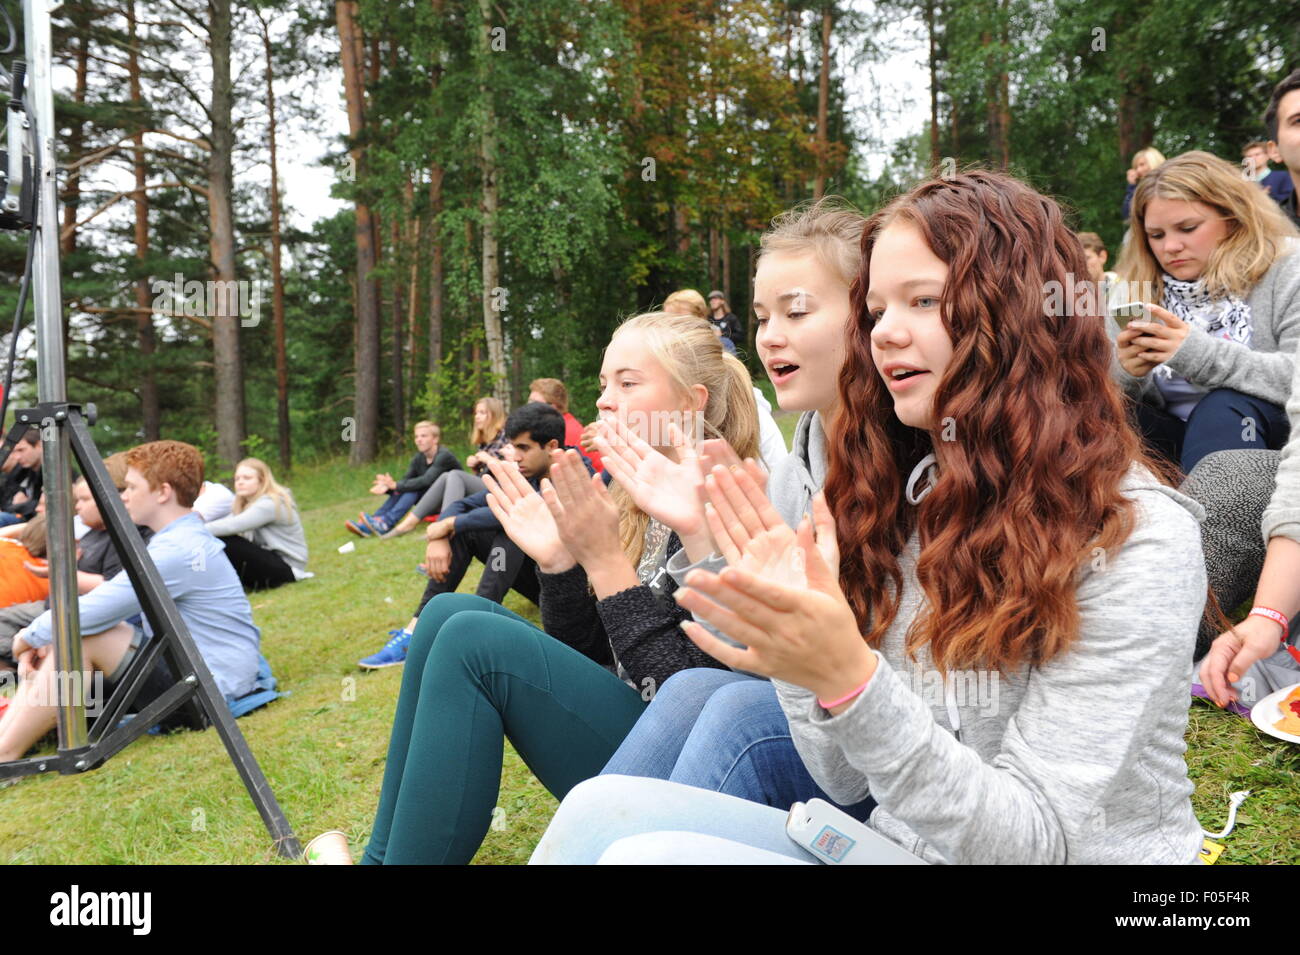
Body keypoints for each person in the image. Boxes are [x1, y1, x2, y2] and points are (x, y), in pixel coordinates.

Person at [532, 169, 1210, 865]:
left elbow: (1034, 844)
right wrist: (806, 648)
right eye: (878, 308)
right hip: (889, 845)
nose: (884, 333)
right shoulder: (920, 495)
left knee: (644, 856)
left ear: (1021, 316)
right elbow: (840, 774)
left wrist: (853, 679)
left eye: (922, 300)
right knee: (598, 812)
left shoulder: (1143, 540)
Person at [331, 310, 759, 864]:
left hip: (687, 767)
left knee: (472, 645)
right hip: (635, 726)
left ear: (690, 402)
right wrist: (558, 565)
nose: (604, 400)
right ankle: (379, 858)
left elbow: (698, 698)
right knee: (447, 616)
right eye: (604, 383)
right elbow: (590, 654)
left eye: (628, 383)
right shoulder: (632, 496)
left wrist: (606, 566)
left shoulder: (732, 500)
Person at [592, 198, 871, 815]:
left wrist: (606, 566)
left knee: (725, 706)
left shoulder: (744, 482)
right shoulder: (802, 467)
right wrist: (568, 567)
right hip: (701, 725)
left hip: (859, 761)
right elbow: (601, 656)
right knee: (463, 625)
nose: (770, 336)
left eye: (796, 311)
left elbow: (702, 670)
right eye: (762, 315)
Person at [0, 441, 262, 760]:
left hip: (212, 696)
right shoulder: (178, 540)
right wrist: (44, 639)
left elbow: (98, 609)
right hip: (205, 678)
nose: (123, 496)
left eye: (132, 488)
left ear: (162, 492)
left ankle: (5, 755)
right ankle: (5, 745)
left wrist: (26, 638)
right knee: (66, 641)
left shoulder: (178, 551)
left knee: (81, 635)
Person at [1111, 150, 1300, 475]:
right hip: (1169, 440)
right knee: (1112, 415)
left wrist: (1196, 354)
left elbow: (1295, 376)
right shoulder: (1133, 287)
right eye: (1156, 235)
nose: (1170, 247)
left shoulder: (1287, 263)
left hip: (1265, 440)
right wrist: (1126, 371)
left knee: (1225, 407)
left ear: (1232, 217)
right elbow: (1093, 387)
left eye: (1187, 228)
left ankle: (1220, 524)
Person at [357, 403, 570, 669]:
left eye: (523, 448)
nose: (515, 457)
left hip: (569, 591)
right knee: (468, 531)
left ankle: (475, 625)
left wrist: (453, 523)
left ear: (550, 446)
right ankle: (415, 629)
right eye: (513, 447)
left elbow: (523, 513)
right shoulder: (529, 474)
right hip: (539, 582)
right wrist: (440, 533)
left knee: (510, 529)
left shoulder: (575, 473)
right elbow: (468, 503)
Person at [380, 397, 509, 539]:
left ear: (495, 414)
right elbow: (486, 474)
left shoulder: (505, 436)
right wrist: (476, 466)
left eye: (482, 413)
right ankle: (407, 524)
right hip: (486, 487)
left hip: (502, 490)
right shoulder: (485, 441)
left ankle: (442, 525)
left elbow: (512, 469)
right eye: (476, 413)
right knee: (446, 476)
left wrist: (488, 459)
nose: (477, 417)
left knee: (455, 475)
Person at [203, 458, 309, 591]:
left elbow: (233, 525)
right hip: (273, 563)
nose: (240, 482)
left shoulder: (270, 503)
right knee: (215, 537)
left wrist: (193, 529)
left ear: (262, 481)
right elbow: (224, 523)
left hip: (288, 569)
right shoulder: (244, 505)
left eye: (247, 478)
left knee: (224, 540)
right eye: (237, 479)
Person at [346, 421, 462, 536]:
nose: (419, 440)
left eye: (424, 436)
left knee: (412, 489)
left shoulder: (444, 456)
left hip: (450, 502)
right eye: (416, 436)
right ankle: (373, 521)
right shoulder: (418, 458)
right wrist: (388, 487)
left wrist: (396, 485)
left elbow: (426, 480)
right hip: (429, 500)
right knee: (407, 487)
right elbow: (406, 481)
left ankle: (386, 523)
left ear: (435, 439)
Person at [527, 378, 602, 473]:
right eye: (529, 402)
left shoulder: (563, 430)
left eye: (534, 403)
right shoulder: (564, 422)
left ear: (552, 407)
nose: (528, 407)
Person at [1264, 68, 1300, 230]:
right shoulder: (1269, 240)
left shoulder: (1278, 177)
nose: (1253, 158)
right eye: (1299, 120)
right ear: (1274, 150)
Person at [1122, 146, 1165, 223]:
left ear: (1153, 162)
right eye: (1136, 167)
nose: (1138, 170)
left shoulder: (1168, 182)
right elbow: (1128, 215)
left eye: (1142, 165)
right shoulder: (1141, 189)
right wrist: (1132, 185)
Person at [1244, 140, 1295, 204]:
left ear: (1267, 156)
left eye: (1257, 154)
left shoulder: (1284, 176)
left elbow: (1291, 202)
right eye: (1249, 156)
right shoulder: (1243, 182)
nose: (1253, 158)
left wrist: (1266, 197)